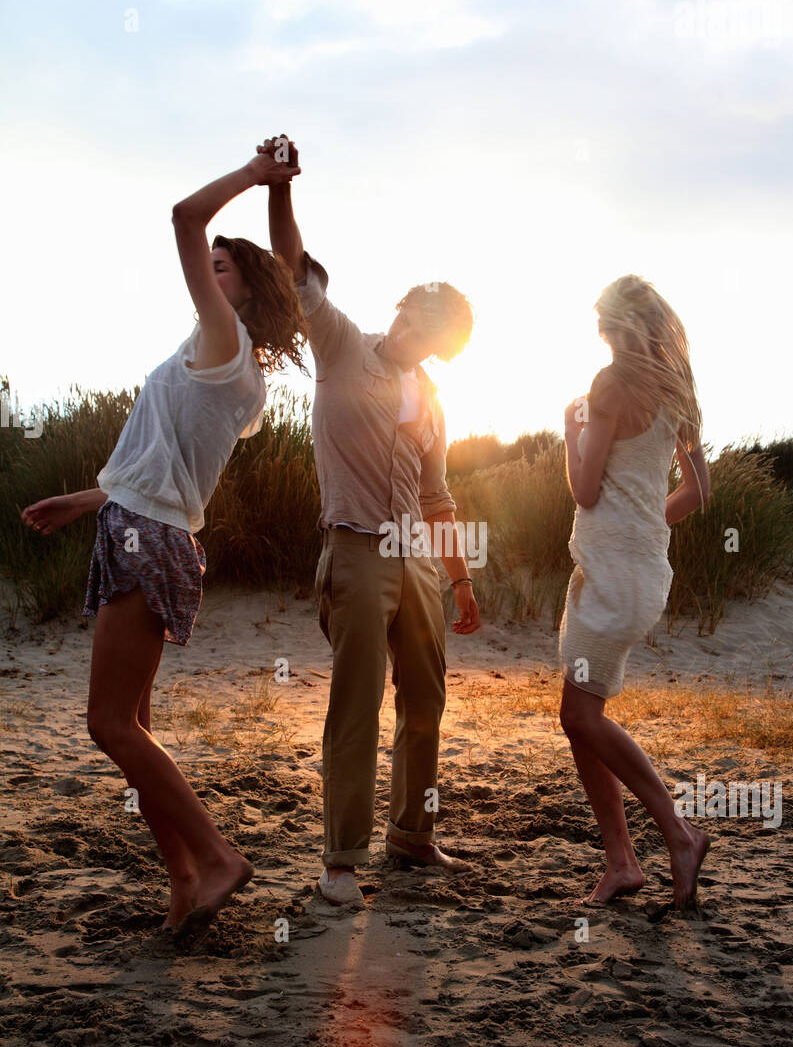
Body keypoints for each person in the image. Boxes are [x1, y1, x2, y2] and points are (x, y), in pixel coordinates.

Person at [21, 148, 306, 935]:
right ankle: (182, 880)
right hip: (147, 527)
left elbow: (185, 216)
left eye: (223, 269)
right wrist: (85, 500)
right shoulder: (234, 364)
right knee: (132, 726)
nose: (208, 274)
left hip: (148, 538)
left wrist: (253, 175)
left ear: (242, 293)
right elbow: (160, 467)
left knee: (107, 725)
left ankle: (216, 857)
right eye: (208, 268)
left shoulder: (222, 343)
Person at [259, 133, 480, 907]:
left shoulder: (434, 400)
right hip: (353, 551)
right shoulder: (344, 344)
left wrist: (459, 579)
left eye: (439, 344)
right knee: (356, 704)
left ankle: (414, 838)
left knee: (426, 702)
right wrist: (280, 186)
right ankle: (340, 863)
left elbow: (438, 496)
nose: (424, 345)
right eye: (422, 327)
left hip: (417, 557)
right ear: (402, 310)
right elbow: (295, 266)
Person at [558, 275, 712, 909]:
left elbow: (585, 490)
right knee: (581, 722)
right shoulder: (680, 392)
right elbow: (700, 493)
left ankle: (677, 833)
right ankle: (621, 862)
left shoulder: (610, 386)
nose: (601, 335)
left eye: (603, 323)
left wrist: (569, 433)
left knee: (579, 715)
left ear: (621, 325)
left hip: (611, 578)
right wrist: (647, 520)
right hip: (644, 573)